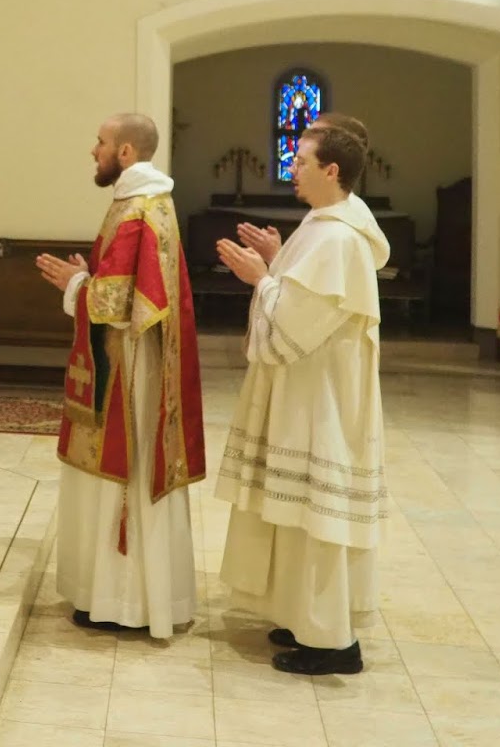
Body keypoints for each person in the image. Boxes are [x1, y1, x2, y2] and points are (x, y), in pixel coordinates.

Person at [213, 122, 389, 675]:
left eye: (302, 161)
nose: (292, 169)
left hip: (322, 401)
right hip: (308, 393)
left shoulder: (338, 237)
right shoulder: (326, 223)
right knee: (296, 514)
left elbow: (293, 327)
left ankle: (332, 642)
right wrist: (278, 259)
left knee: (316, 517)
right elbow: (304, 293)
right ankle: (301, 617)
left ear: (331, 170)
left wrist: (260, 278)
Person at [35, 114, 206, 639]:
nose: (94, 151)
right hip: (123, 356)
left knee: (124, 476)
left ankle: (125, 601)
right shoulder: (141, 203)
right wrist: (87, 278)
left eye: (102, 143)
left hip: (131, 368)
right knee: (108, 478)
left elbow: (119, 302)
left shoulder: (139, 210)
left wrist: (76, 283)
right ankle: (110, 595)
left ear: (126, 152)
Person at [235, 113, 371, 265]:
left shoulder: (343, 228)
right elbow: (307, 274)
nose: (307, 138)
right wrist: (276, 256)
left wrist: (258, 275)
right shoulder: (326, 211)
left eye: (318, 135)